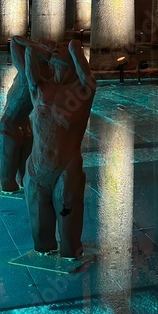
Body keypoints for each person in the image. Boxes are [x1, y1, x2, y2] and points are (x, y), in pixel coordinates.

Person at [23, 39, 96, 257]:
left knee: (70, 244)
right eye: (53, 62)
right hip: (36, 170)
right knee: (41, 241)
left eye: (60, 59)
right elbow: (26, 51)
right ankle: (46, 249)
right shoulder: (40, 88)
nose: (56, 51)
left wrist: (74, 46)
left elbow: (89, 79)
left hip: (67, 170)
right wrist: (47, 51)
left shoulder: (81, 93)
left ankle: (70, 251)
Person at [0, 36, 53, 193]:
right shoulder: (33, 76)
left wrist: (38, 48)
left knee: (23, 177)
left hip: (18, 124)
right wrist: (43, 50)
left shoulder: (31, 76)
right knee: (10, 182)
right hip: (13, 125)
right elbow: (14, 41)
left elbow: (15, 41)